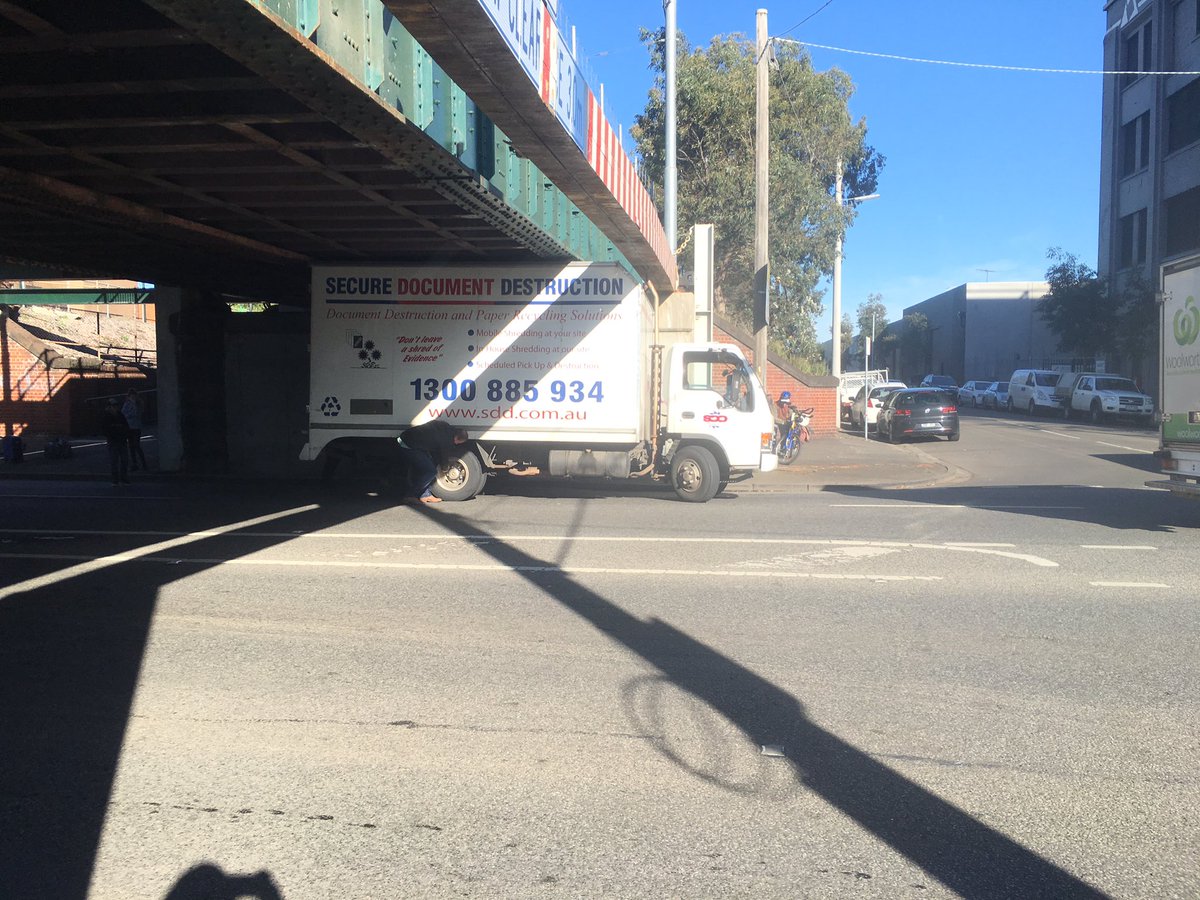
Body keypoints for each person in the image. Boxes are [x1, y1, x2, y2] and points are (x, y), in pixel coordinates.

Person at [395, 420, 468, 504]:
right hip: (409, 445)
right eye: (458, 443)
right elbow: (444, 458)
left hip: (412, 440)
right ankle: (410, 496)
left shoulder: (446, 427)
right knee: (431, 471)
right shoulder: (447, 440)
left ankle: (426, 495)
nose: (456, 444)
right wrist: (445, 469)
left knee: (431, 466)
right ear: (456, 438)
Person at [100, 398, 131, 485]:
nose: (115, 407)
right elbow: (105, 429)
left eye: (116, 405)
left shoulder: (120, 415)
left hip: (121, 440)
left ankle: (122, 478)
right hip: (114, 441)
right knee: (115, 461)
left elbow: (126, 426)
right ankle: (116, 479)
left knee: (124, 460)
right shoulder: (107, 417)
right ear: (109, 407)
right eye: (113, 406)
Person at [122, 388, 148, 471]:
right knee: (132, 446)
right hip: (131, 427)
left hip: (135, 427)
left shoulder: (137, 404)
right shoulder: (128, 403)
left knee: (136, 445)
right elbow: (124, 413)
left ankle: (141, 463)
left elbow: (136, 413)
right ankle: (136, 464)